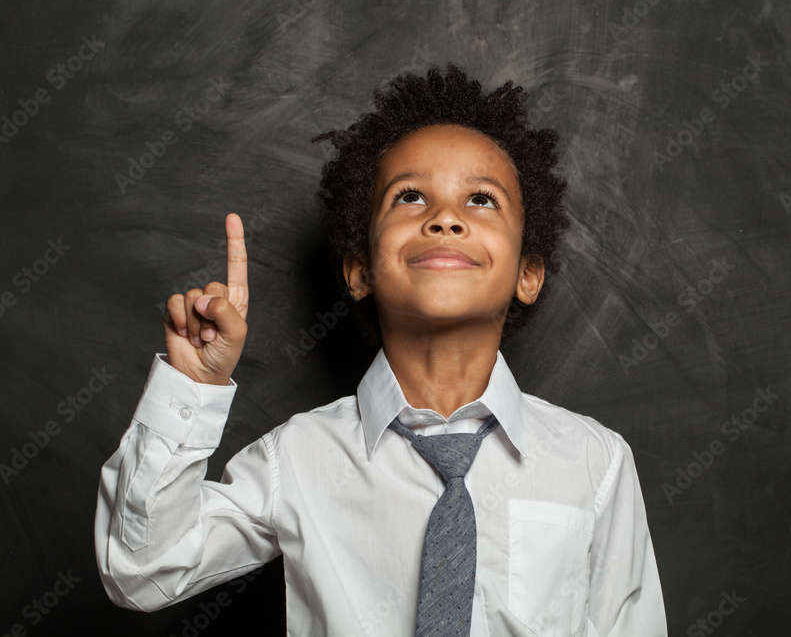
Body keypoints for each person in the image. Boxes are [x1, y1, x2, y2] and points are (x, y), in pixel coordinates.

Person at [95, 62, 667, 635]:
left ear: (529, 272)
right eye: (411, 196)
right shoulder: (297, 458)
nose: (445, 218)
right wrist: (194, 385)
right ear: (360, 270)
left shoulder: (595, 462)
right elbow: (141, 571)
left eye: (482, 200)